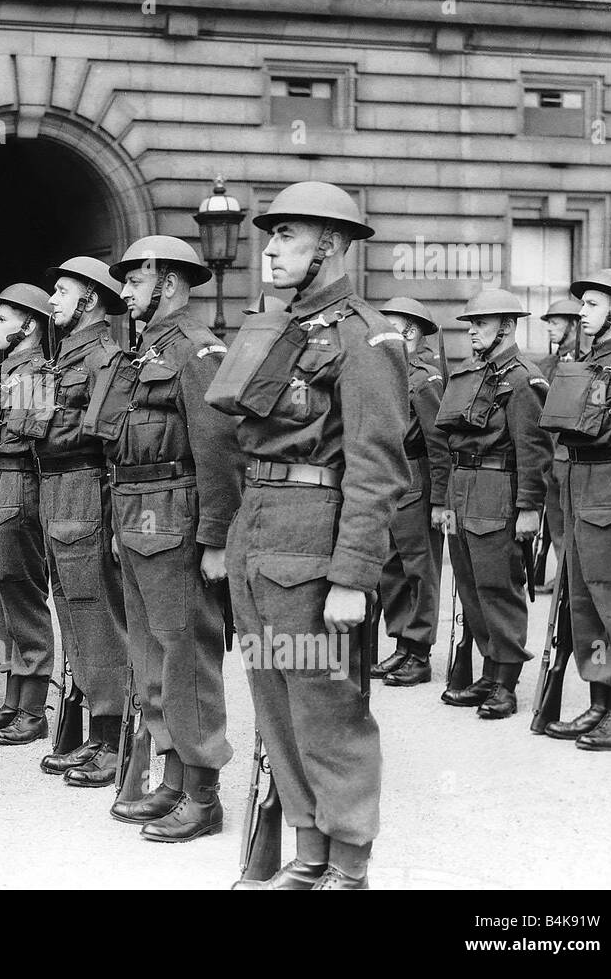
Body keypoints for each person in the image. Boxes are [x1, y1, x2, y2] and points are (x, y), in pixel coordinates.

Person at [216, 182, 408, 890]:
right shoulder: (278, 329)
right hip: (261, 536)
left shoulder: (365, 335)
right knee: (276, 706)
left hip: (316, 546)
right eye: (272, 236)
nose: (268, 249)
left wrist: (354, 576)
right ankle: (309, 851)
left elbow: (377, 467)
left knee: (328, 709)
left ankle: (349, 861)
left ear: (328, 245)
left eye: (286, 235)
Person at [87, 236, 243, 838]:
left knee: (187, 655)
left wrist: (216, 540)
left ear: (169, 283)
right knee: (151, 654)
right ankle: (175, 780)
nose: (123, 292)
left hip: (174, 516)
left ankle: (203, 797)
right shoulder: (146, 348)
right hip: (134, 511)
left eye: (133, 280)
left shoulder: (196, 350)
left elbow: (219, 451)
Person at [539, 269, 611, 751]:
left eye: (592, 305)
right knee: (584, 604)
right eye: (582, 306)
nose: (581, 314)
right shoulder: (582, 364)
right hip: (577, 488)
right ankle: (599, 701)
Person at [32, 256, 131, 785]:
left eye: (62, 291)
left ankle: (113, 741)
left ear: (89, 300)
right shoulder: (66, 355)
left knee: (97, 616)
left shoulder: (105, 359)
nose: (52, 300)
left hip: (85, 490)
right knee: (72, 612)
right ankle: (96, 729)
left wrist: (115, 520)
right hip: (56, 489)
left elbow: (113, 445)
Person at [435, 288, 550, 719]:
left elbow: (533, 450)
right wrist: (448, 501)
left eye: (480, 324)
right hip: (464, 490)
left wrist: (529, 508)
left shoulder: (524, 379)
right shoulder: (471, 374)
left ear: (506, 326)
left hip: (498, 491)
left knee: (499, 588)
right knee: (470, 588)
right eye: (471, 324)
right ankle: (488, 671)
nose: (472, 332)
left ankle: (506, 682)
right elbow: (452, 446)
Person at [0, 283, 57, 743]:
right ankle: (12, 699)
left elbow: (25, 433)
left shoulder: (35, 373)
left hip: (16, 481)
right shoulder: (5, 373)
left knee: (20, 594)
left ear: (29, 325)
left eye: (2, 319)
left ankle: (34, 708)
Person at [372, 297, 451, 687]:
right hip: (392, 476)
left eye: (391, 325)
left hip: (417, 477)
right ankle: (403, 644)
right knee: (392, 568)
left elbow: (439, 440)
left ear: (410, 331)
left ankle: (419, 653)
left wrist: (440, 501)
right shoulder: (393, 370)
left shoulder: (424, 377)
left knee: (420, 569)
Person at [535, 299, 583, 590]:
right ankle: (564, 577)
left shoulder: (587, 362)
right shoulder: (546, 364)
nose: (550, 328)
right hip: (549, 455)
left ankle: (574, 580)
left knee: (573, 521)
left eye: (556, 322)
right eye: (549, 322)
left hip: (571, 456)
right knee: (555, 520)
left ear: (574, 324)